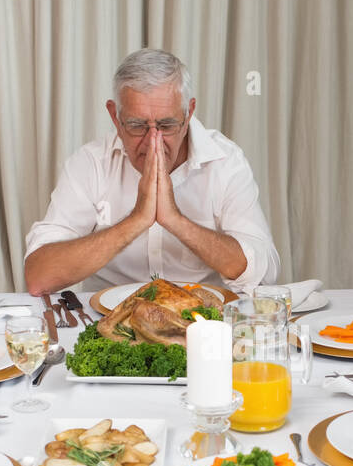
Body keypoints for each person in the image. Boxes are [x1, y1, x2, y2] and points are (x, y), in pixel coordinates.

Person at [24, 48, 279, 294]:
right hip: (109, 325)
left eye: (166, 125)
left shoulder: (225, 161)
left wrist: (175, 220)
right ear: (115, 116)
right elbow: (39, 277)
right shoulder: (90, 163)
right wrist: (137, 219)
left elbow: (265, 273)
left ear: (188, 113)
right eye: (137, 125)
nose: (152, 141)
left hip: (201, 324)